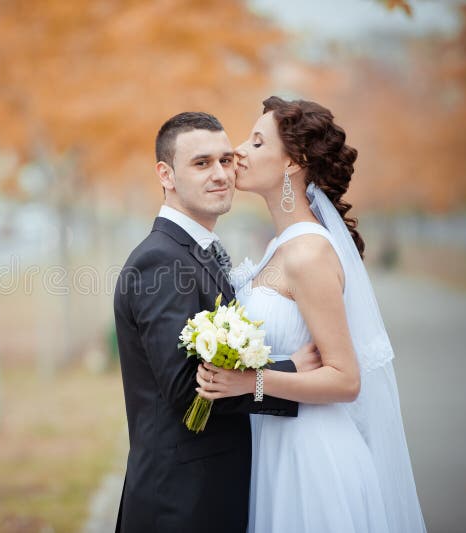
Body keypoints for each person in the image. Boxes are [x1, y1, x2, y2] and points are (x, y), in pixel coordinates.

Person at [195, 96, 427, 532]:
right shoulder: (280, 247)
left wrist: (250, 381)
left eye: (258, 142)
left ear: (292, 163)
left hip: (312, 459)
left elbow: (346, 378)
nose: (239, 150)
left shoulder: (308, 253)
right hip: (275, 445)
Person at [113, 111, 322, 533]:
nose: (221, 174)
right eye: (202, 163)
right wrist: (290, 371)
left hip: (206, 496)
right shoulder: (162, 261)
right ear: (165, 175)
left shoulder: (195, 251)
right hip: (181, 504)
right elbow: (187, 389)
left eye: (226, 161)